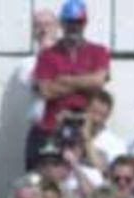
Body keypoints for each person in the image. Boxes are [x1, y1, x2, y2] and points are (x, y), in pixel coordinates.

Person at [29, 1, 111, 169]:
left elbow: (98, 81)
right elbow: (46, 91)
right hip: (53, 127)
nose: (74, 27)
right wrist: (85, 82)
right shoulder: (47, 54)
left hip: (87, 129)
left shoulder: (98, 51)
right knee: (48, 181)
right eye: (69, 22)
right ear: (62, 23)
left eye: (78, 22)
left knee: (90, 177)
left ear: (85, 23)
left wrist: (64, 80)